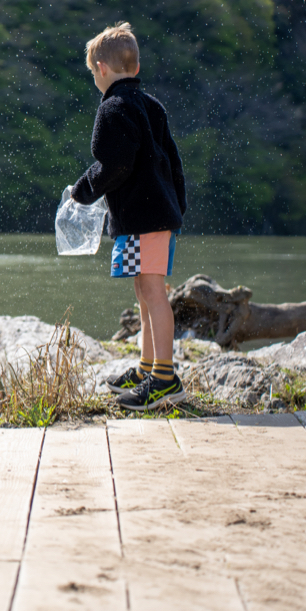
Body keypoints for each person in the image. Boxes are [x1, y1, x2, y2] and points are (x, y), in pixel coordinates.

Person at [71, 22, 188, 411]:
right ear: (134, 68)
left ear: (101, 69)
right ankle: (148, 368)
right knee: (143, 290)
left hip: (145, 219)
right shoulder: (152, 106)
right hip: (155, 216)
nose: (94, 79)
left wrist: (82, 192)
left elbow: (113, 165)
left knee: (153, 292)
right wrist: (178, 207)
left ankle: (165, 380)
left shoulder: (113, 108)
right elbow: (174, 162)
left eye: (92, 74)